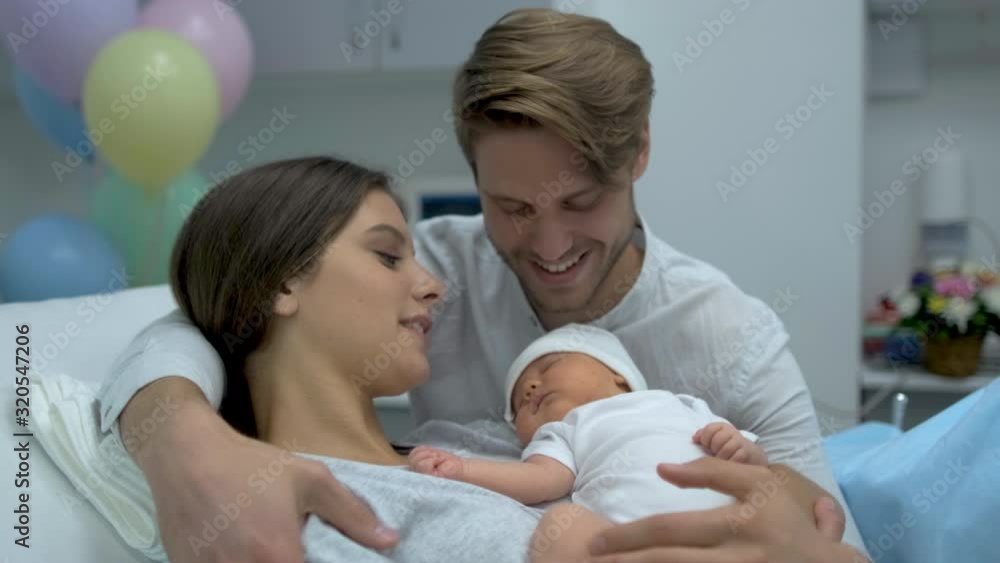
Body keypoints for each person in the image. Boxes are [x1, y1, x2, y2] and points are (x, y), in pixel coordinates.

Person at [98, 8, 869, 563]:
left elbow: (838, 536)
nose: (551, 247)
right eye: (513, 208)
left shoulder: (731, 338)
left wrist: (796, 529)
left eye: (580, 201)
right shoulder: (442, 269)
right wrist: (183, 440)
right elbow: (191, 313)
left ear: (638, 153)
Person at [156, 155, 546, 561]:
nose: (434, 287)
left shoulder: (472, 441)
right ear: (280, 286)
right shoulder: (293, 518)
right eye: (388, 257)